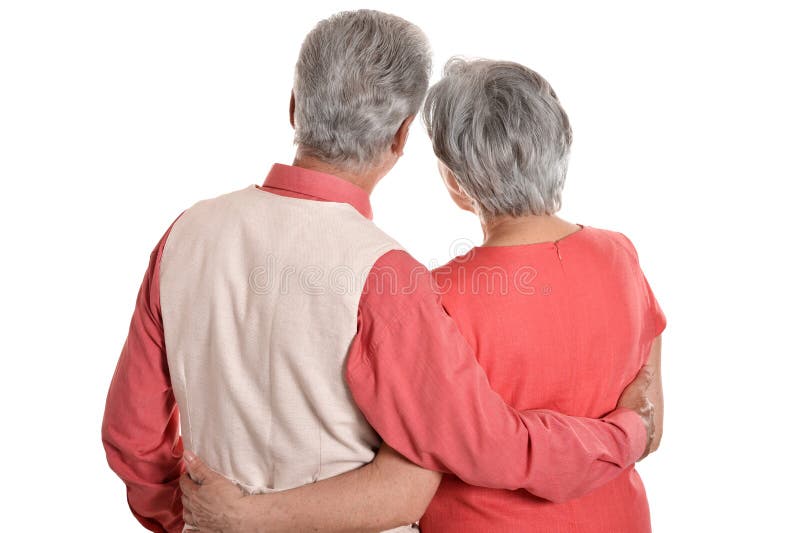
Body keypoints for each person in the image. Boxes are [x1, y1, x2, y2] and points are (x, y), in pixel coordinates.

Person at [103, 10, 656, 533]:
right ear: (401, 136)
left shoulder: (184, 233)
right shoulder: (389, 276)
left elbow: (132, 435)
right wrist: (629, 432)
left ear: (295, 106)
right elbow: (416, 484)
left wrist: (196, 520)